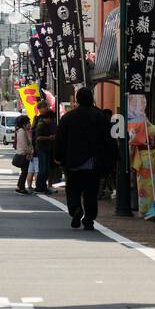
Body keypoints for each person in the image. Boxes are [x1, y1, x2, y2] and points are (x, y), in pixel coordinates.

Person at [52, 86, 111, 231]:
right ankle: (89, 219)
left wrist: (58, 157)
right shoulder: (100, 117)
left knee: (73, 190)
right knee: (91, 192)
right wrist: (109, 160)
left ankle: (76, 210)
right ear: (92, 99)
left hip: (72, 162)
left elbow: (60, 139)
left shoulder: (68, 117)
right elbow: (107, 140)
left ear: (77, 100)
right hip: (93, 163)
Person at [130, 119, 155, 215]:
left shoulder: (136, 129)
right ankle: (153, 206)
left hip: (144, 159)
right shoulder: (154, 129)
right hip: (152, 157)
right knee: (153, 183)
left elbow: (131, 145)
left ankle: (145, 208)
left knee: (144, 185)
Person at [31, 104, 56, 194]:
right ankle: (39, 187)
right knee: (43, 168)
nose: (52, 121)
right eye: (51, 119)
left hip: (47, 148)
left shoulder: (45, 124)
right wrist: (49, 137)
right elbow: (37, 137)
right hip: (41, 148)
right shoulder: (40, 124)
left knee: (46, 168)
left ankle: (43, 187)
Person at [13, 114, 32, 193]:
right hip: (23, 155)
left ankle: (20, 186)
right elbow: (24, 145)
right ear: (24, 124)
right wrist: (30, 151)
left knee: (24, 172)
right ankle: (21, 187)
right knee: (24, 172)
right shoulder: (22, 132)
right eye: (28, 123)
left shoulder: (24, 131)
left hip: (24, 154)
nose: (29, 124)